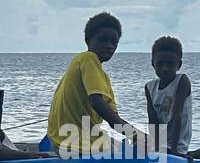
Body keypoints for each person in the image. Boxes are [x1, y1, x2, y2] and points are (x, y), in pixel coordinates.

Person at [45, 12, 141, 154]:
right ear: (89, 40)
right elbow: (97, 102)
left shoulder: (101, 76)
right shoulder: (87, 59)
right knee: (143, 154)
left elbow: (112, 115)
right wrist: (135, 135)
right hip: (76, 145)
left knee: (129, 147)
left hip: (74, 140)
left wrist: (135, 135)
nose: (109, 46)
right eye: (103, 40)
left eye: (114, 42)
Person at [144, 36, 191, 156]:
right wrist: (155, 147)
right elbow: (153, 121)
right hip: (160, 142)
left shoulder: (182, 81)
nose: (165, 68)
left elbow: (177, 115)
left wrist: (175, 152)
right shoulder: (150, 87)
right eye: (160, 64)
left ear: (179, 65)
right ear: (153, 64)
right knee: (129, 147)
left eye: (170, 64)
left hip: (177, 144)